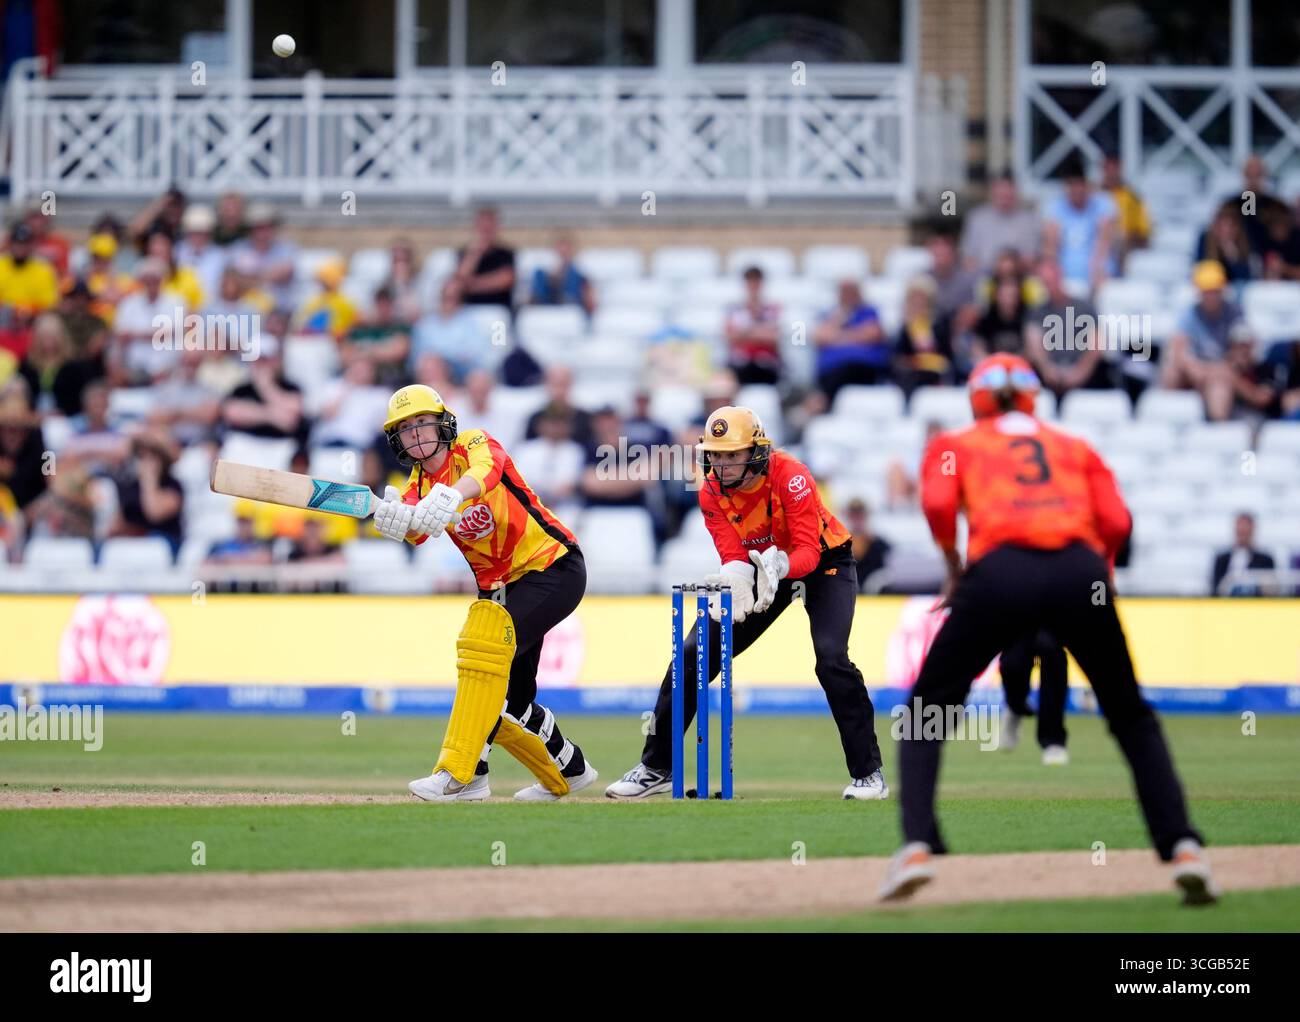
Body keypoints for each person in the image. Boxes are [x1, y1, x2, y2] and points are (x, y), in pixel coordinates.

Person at [879, 352, 1216, 906]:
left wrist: (952, 566)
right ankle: (1183, 846)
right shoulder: (1075, 446)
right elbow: (1117, 522)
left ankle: (917, 845)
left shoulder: (954, 445)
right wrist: (1096, 576)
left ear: (978, 397)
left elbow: (939, 503)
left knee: (926, 710)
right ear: (1034, 397)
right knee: (1129, 713)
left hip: (999, 571)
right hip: (1078, 570)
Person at [605, 406, 889, 801]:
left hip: (823, 564)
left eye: (732, 454)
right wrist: (737, 580)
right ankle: (657, 767)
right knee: (692, 654)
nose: (722, 464)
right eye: (716, 454)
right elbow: (733, 554)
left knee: (831, 659)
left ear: (755, 451)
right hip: (758, 567)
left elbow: (807, 549)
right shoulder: (708, 490)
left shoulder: (792, 476)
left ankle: (868, 775)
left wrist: (782, 564)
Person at [373, 384, 597, 802]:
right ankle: (569, 768)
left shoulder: (472, 441)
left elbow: (488, 470)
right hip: (499, 590)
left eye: (423, 422)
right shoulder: (416, 485)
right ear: (397, 441)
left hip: (553, 566)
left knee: (482, 653)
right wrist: (395, 519)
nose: (417, 434)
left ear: (442, 423)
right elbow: (417, 533)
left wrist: (453, 494)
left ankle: (464, 773)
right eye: (406, 429)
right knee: (512, 703)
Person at [1161, 260, 1244, 421]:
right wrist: (1194, 367)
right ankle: (1169, 423)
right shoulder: (1189, 313)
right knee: (1171, 372)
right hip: (1196, 369)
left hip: (1221, 370)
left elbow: (1241, 354)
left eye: (1214, 291)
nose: (1211, 295)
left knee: (1220, 386)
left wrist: (1215, 370)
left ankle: (1216, 431)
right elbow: (1177, 348)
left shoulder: (1234, 313)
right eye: (1207, 291)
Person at [1041, 157, 1116, 295]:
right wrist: (1054, 276)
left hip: (1098, 276)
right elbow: (1051, 247)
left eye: (1079, 185)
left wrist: (1097, 270)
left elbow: (1103, 243)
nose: (1076, 190)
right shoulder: (1055, 208)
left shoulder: (1103, 204)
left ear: (1087, 185)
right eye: (1072, 185)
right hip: (1065, 278)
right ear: (1066, 187)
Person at [998, 630, 1070, 765]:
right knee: (1012, 664)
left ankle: (1053, 740)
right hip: (1018, 615)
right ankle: (1015, 706)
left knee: (1051, 648)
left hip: (1052, 616)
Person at [811, 279, 888, 400]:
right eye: (844, 292)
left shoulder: (868, 312)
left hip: (863, 367)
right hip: (832, 369)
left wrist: (838, 337)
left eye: (851, 291)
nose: (847, 296)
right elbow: (819, 337)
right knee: (836, 375)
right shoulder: (831, 314)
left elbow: (873, 334)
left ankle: (818, 404)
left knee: (843, 373)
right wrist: (840, 320)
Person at [960, 172, 1041, 272]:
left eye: (1008, 193)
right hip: (984, 278)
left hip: (1019, 278)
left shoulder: (1029, 220)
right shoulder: (977, 219)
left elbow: (1033, 259)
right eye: (1001, 192)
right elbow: (968, 259)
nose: (1004, 196)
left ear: (1015, 192)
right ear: (993, 192)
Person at [724, 266, 783, 386]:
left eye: (756, 281)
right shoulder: (734, 309)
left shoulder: (773, 309)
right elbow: (730, 337)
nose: (753, 285)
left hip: (766, 364)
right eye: (750, 281)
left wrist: (745, 333)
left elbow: (775, 338)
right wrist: (760, 332)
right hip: (740, 364)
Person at [453, 207, 516, 308]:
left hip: (498, 310)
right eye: (483, 227)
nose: (486, 230)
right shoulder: (464, 253)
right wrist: (474, 254)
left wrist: (471, 285)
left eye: (489, 227)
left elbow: (505, 280)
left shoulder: (506, 253)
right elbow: (458, 283)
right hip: (469, 311)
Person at [1100, 153, 1150, 270]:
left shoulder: (1133, 198)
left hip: (1124, 247)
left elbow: (1144, 235)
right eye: (1108, 168)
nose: (1111, 172)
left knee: (1119, 240)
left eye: (1114, 168)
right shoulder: (1093, 196)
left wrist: (1124, 239)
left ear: (1120, 168)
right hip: (1096, 245)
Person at [1211, 512, 1276, 597]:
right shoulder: (1221, 559)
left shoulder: (1266, 560)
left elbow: (1270, 590)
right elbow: (1215, 589)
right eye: (1240, 529)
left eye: (1245, 529)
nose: (1242, 532)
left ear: (1252, 530)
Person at [529, 233, 595, 315]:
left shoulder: (577, 269)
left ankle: (568, 300)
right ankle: (537, 300)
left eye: (565, 250)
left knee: (574, 274)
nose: (562, 252)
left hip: (570, 298)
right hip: (548, 297)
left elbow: (587, 288)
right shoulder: (548, 266)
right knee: (539, 272)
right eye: (560, 250)